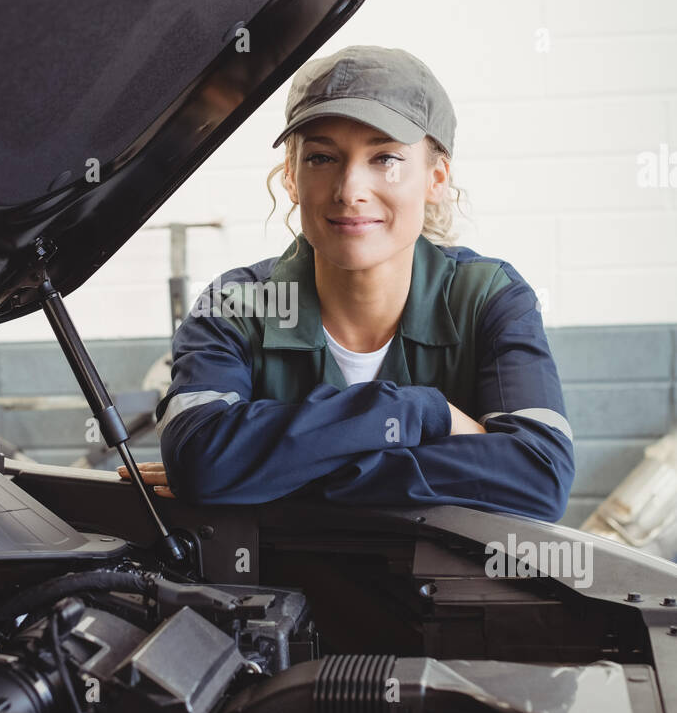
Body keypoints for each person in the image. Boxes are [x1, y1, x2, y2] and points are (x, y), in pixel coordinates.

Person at [118, 45, 575, 522]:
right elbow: (200, 459)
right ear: (291, 178)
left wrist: (273, 474)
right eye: (321, 158)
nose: (350, 189)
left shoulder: (491, 298)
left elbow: (539, 479)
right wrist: (420, 410)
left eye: (385, 158)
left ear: (435, 178)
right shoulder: (235, 306)